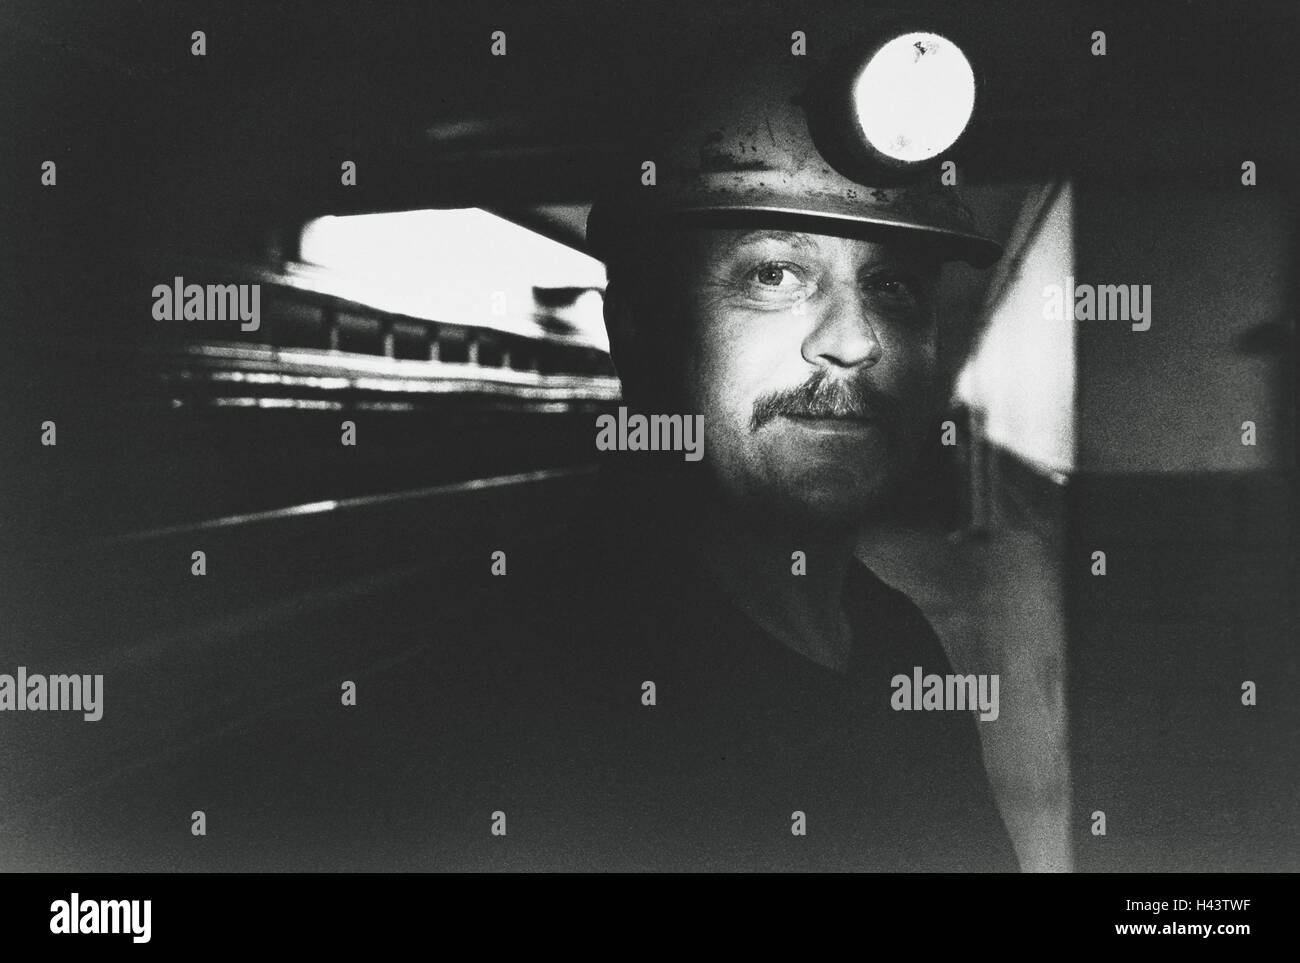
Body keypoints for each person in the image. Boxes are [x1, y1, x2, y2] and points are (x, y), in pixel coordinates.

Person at [487, 45, 1022, 872]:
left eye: (895, 287)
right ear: (634, 326)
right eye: (774, 273)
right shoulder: (513, 722)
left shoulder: (897, 644)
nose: (856, 341)